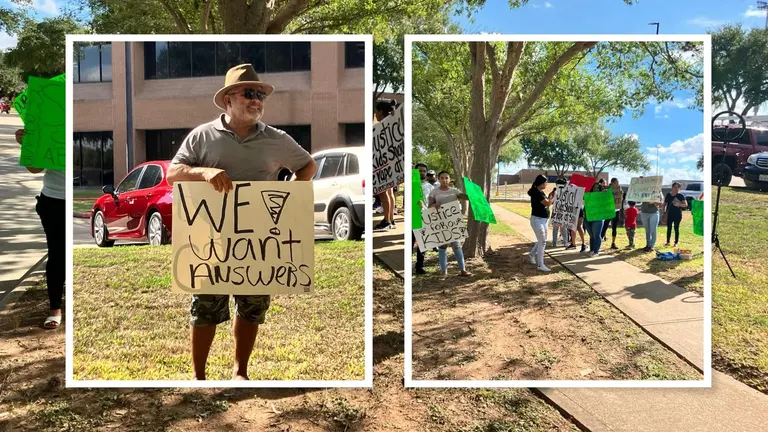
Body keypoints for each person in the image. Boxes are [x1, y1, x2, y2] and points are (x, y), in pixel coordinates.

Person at [166, 64, 317, 380]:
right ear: (228, 100)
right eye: (249, 93)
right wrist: (203, 172)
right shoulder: (202, 137)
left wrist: (290, 196)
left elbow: (307, 166)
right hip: (210, 239)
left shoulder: (278, 139)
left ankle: (241, 372)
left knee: (252, 306)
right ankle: (198, 377)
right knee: (204, 306)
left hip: (259, 242)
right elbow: (172, 174)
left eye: (260, 95)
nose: (257, 100)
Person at [15, 129, 64, 329]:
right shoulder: (50, 123)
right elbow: (35, 168)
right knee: (57, 255)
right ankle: (55, 309)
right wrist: (27, 145)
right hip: (53, 200)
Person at [427, 171, 472, 277]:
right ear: (438, 179)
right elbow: (429, 206)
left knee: (457, 246)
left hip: (453, 222)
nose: (444, 180)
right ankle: (444, 271)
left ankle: (462, 270)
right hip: (440, 222)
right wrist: (435, 205)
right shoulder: (434, 192)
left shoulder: (455, 191)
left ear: (449, 179)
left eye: (446, 178)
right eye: (442, 178)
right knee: (442, 247)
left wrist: (470, 187)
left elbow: (467, 197)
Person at [374, 100, 397, 230]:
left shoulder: (382, 126)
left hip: (384, 163)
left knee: (383, 193)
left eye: (376, 111)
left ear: (381, 112)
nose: (375, 114)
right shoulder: (391, 123)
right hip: (391, 162)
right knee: (388, 191)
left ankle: (387, 221)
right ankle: (390, 220)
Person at [527, 175, 556, 272]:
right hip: (537, 220)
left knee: (541, 240)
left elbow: (545, 201)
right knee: (542, 241)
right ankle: (540, 265)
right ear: (541, 182)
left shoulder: (540, 192)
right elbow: (548, 203)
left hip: (543, 220)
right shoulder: (536, 192)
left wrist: (550, 197)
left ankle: (531, 255)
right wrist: (553, 198)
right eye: (546, 182)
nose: (547, 184)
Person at [414, 162, 434, 275]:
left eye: (424, 171)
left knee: (423, 243)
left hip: (424, 216)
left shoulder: (430, 187)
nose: (422, 173)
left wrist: (425, 208)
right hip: (413, 217)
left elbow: (432, 202)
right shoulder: (411, 184)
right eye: (419, 170)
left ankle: (419, 266)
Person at [585, 181, 608, 257]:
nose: (596, 189)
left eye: (598, 187)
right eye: (594, 187)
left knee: (597, 235)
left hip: (598, 218)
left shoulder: (603, 195)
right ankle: (592, 250)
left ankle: (596, 251)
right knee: (591, 235)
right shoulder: (588, 195)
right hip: (588, 218)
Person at [664, 182, 688, 247]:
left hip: (677, 214)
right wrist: (664, 211)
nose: (676, 188)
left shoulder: (680, 196)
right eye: (675, 187)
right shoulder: (668, 195)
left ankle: (676, 242)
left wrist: (679, 204)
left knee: (676, 228)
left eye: (678, 187)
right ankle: (668, 241)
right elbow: (665, 204)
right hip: (669, 214)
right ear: (672, 187)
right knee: (669, 228)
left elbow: (686, 204)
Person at [600, 178, 622, 249]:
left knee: (614, 227)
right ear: (612, 183)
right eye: (616, 182)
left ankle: (613, 243)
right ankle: (599, 242)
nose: (618, 183)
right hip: (609, 211)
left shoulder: (619, 190)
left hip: (616, 211)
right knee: (605, 226)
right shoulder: (607, 190)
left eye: (618, 182)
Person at [551, 179, 570, 247]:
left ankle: (562, 242)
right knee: (559, 228)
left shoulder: (566, 192)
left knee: (562, 228)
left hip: (563, 212)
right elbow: (551, 201)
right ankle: (557, 243)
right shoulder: (555, 192)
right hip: (557, 212)